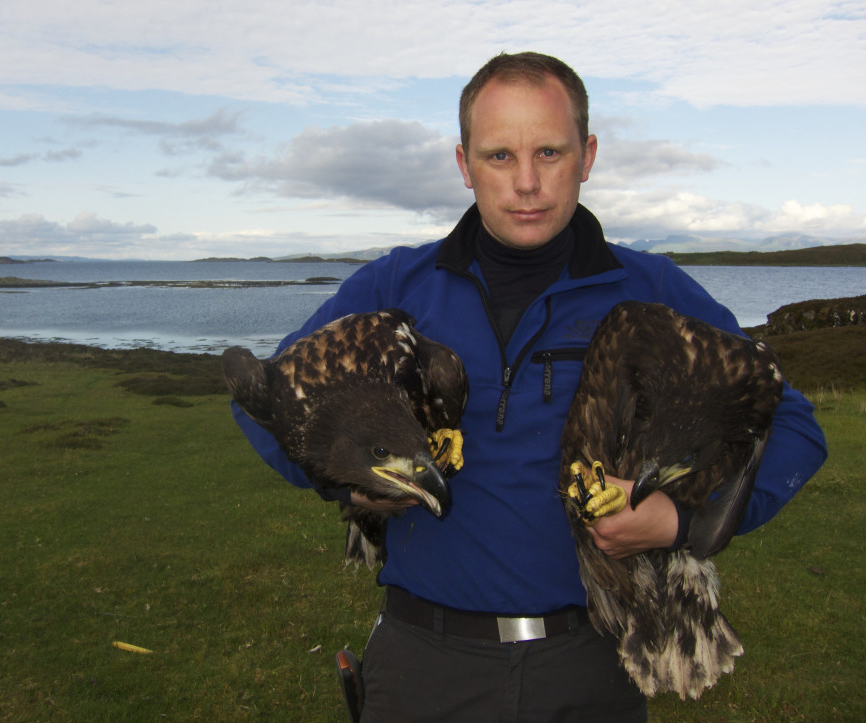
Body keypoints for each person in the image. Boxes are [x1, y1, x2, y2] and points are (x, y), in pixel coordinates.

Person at [231, 52, 827, 721]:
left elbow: (794, 430)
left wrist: (682, 520)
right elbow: (265, 403)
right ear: (463, 164)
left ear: (587, 154)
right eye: (498, 156)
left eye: (549, 151)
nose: (526, 182)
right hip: (423, 659)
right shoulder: (395, 287)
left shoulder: (650, 291)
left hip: (589, 660)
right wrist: (349, 479)